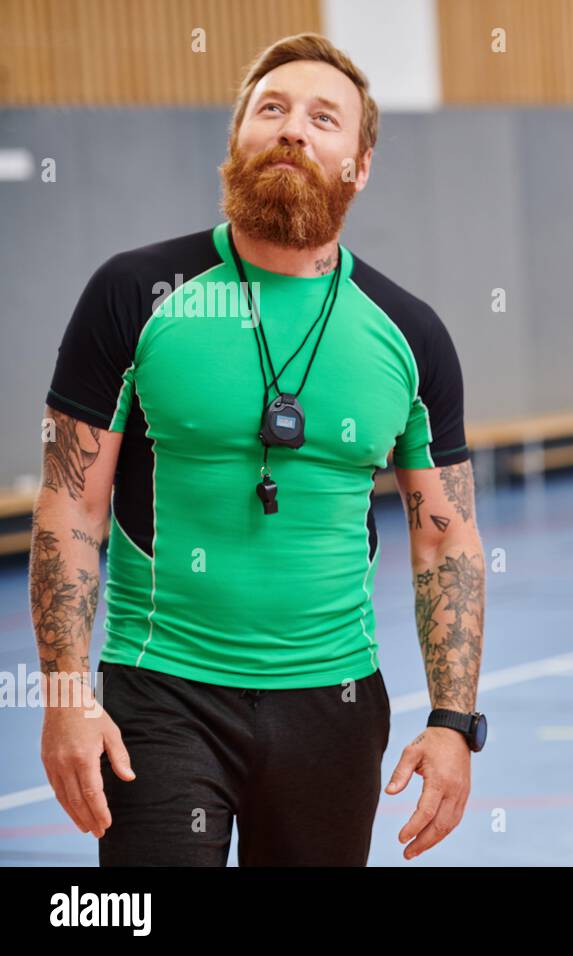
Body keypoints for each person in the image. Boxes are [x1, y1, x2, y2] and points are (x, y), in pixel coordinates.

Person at [30, 33, 486, 866]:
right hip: (161, 693)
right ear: (234, 141)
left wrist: (454, 724)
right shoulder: (135, 295)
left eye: (323, 117)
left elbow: (445, 539)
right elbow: (71, 505)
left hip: (335, 704)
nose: (293, 129)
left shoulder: (410, 335)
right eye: (270, 109)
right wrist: (64, 694)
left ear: (360, 163)